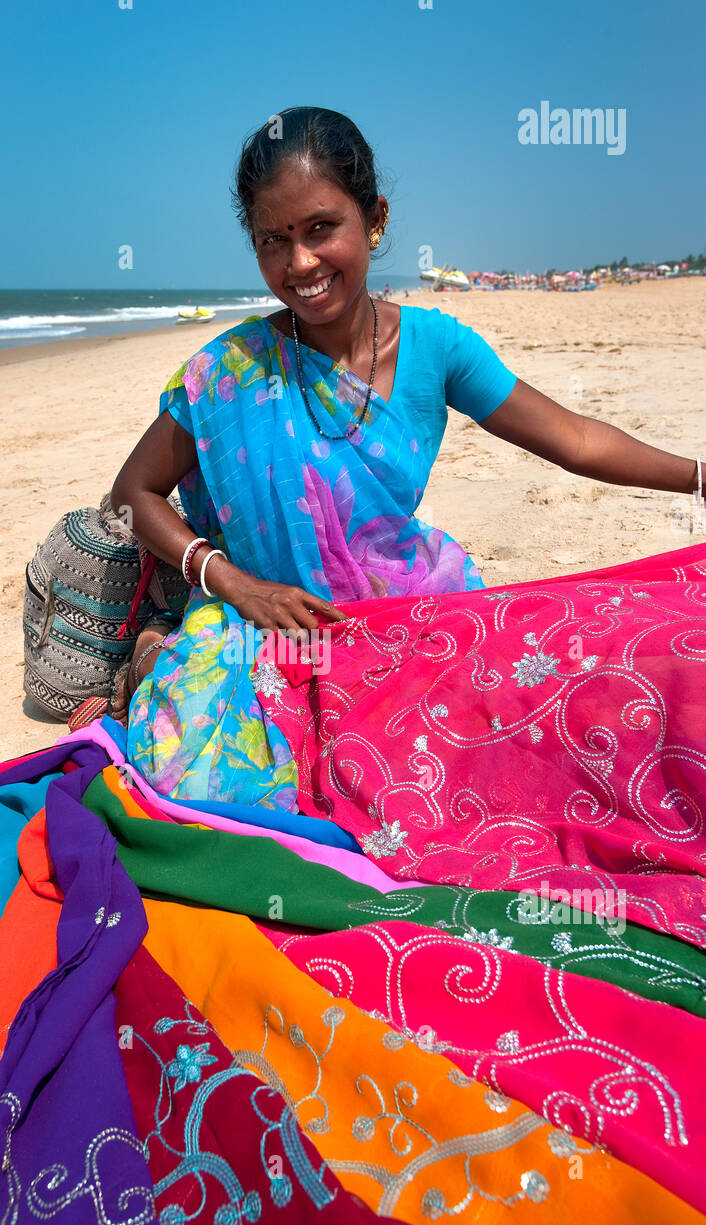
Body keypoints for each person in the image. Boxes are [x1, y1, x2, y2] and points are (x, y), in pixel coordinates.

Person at [109, 105, 704, 809]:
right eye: (274, 240)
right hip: (268, 622)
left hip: (411, 607)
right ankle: (156, 651)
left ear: (375, 219)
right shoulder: (230, 370)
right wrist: (233, 582)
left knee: (542, 724)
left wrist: (698, 477)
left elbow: (573, 440)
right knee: (214, 781)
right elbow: (134, 493)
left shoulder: (434, 348)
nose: (299, 263)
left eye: (321, 229)